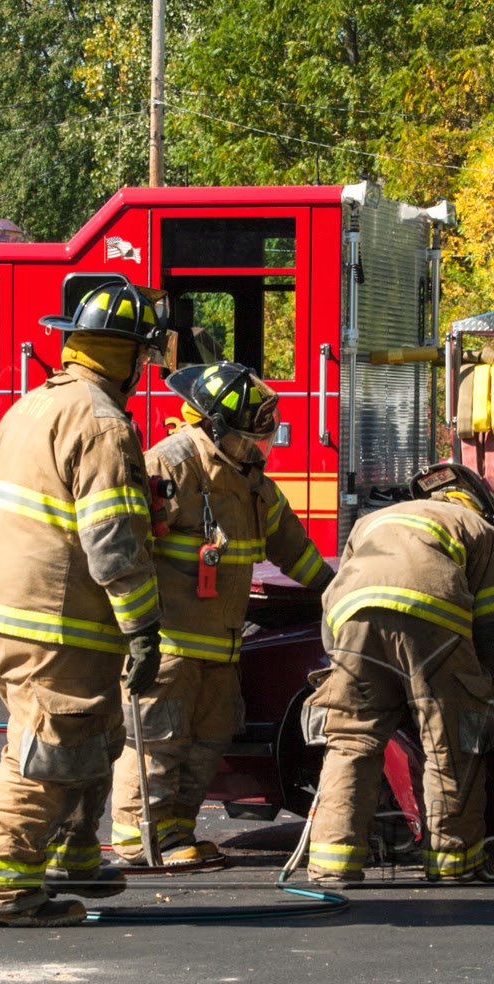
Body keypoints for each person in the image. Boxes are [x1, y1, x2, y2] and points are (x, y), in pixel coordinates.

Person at [0, 280, 169, 928]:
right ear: (128, 356)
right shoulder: (104, 423)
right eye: (143, 355)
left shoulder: (31, 407)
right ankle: (3, 887)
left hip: (9, 613)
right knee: (48, 747)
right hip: (56, 621)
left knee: (95, 731)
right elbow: (113, 542)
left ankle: (73, 856)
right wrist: (142, 628)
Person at [109, 362, 334, 867]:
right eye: (245, 440)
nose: (257, 451)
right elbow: (124, 549)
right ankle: (137, 838)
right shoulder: (169, 467)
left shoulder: (251, 484)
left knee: (207, 743)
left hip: (221, 646)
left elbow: (294, 550)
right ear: (213, 426)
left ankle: (175, 834)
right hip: (169, 644)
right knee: (158, 745)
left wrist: (335, 591)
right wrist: (132, 630)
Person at [304, 461, 494, 886]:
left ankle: (333, 863)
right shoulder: (481, 532)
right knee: (451, 743)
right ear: (480, 505)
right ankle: (452, 862)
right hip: (432, 618)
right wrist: (491, 698)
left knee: (351, 738)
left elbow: (336, 598)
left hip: (350, 619)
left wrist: (344, 670)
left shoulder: (374, 521)